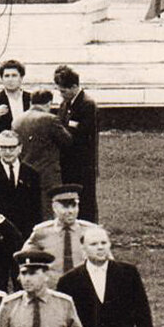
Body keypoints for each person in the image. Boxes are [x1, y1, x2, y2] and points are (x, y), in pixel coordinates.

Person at [0, 130, 45, 245]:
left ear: (20, 148)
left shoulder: (31, 174)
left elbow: (36, 212)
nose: (7, 152)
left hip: (24, 239)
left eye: (12, 148)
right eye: (3, 147)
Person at [52, 65, 100, 224]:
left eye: (63, 91)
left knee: (85, 201)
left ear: (74, 87)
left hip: (82, 163)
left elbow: (81, 136)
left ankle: (89, 230)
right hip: (68, 162)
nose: (61, 94)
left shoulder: (87, 105)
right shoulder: (65, 104)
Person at [22, 184, 102, 278]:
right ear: (54, 208)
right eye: (65, 207)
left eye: (74, 206)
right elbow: (23, 259)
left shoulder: (91, 231)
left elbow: (107, 263)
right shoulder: (42, 232)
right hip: (53, 288)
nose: (70, 211)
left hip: (83, 288)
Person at [13, 89, 70, 206]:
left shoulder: (17, 121)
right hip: (47, 174)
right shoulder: (50, 119)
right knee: (48, 209)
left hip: (25, 171)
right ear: (49, 103)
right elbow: (67, 141)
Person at [0, 59, 31, 136]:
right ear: (2, 79)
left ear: (21, 78)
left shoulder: (31, 99)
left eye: (14, 75)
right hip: (1, 146)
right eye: (6, 76)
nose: (10, 80)